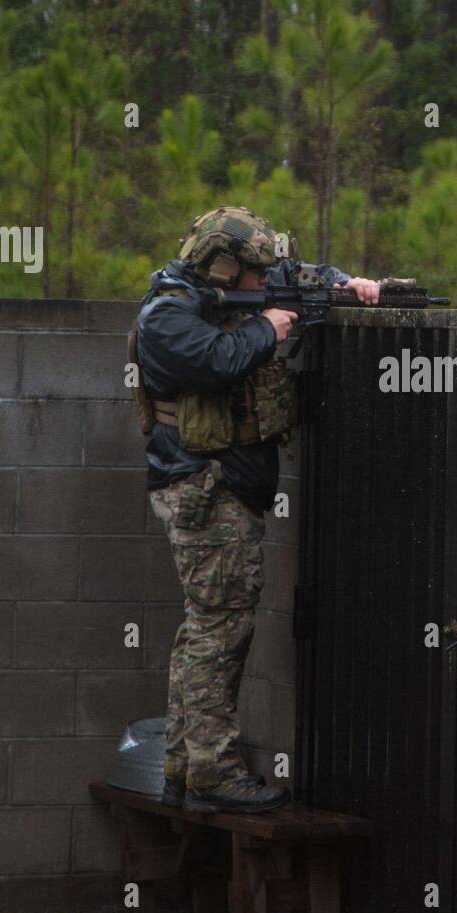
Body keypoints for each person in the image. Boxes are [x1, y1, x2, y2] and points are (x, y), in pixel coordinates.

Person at [131, 206, 379, 814]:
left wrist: (348, 283)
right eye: (252, 277)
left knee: (203, 630)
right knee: (222, 631)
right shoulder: (167, 315)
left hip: (223, 489)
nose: (263, 285)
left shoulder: (234, 289)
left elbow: (301, 276)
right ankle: (213, 774)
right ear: (219, 268)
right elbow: (217, 361)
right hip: (204, 492)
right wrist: (268, 327)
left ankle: (183, 765)